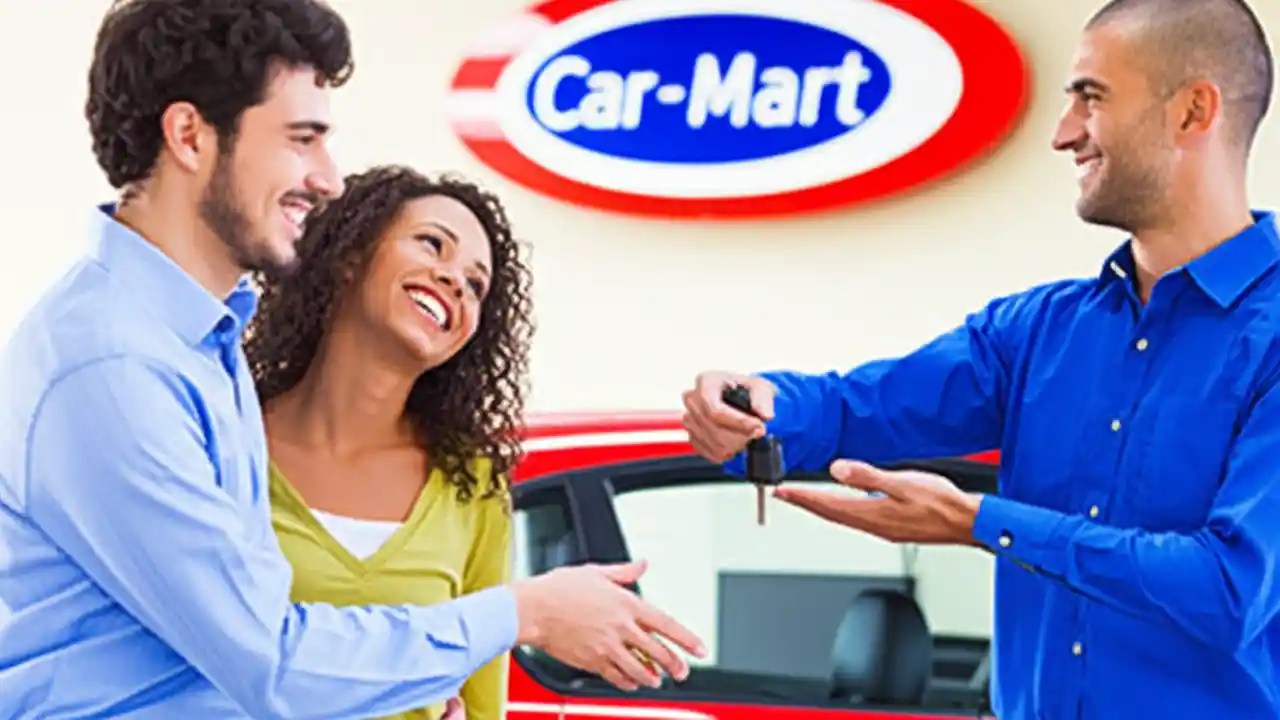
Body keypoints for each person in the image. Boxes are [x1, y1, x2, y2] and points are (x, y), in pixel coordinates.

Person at [0, 2, 704, 719]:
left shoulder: (200, 351)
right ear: (189, 135)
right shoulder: (113, 368)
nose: (329, 179)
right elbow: (269, 659)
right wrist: (523, 613)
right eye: (301, 140)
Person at [682, 0, 1276, 718]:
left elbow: (1229, 589)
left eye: (1091, 98)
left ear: (1192, 111)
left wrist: (981, 522)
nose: (1064, 134)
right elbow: (857, 406)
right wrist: (758, 405)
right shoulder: (1037, 333)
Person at [242, 165, 534, 720]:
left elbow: (481, 703)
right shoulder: (230, 441)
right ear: (351, 255)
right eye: (432, 244)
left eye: (476, 284)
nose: (454, 281)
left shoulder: (472, 486)